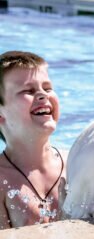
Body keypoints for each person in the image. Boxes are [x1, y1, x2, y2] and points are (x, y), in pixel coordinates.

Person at [0, 51, 66, 229]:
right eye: (28, 90)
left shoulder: (77, 162)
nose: (43, 95)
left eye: (48, 88)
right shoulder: (2, 181)